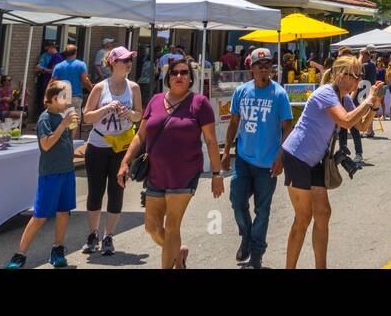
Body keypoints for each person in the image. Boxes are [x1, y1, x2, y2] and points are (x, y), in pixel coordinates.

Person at [117, 59, 223, 269]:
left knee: (172, 226)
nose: (179, 76)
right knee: (152, 227)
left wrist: (217, 174)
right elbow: (140, 135)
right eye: (175, 73)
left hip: (184, 173)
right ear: (168, 77)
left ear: (191, 78)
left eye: (184, 73)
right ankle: (178, 255)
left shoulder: (199, 103)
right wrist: (125, 161)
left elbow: (211, 140)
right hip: (156, 174)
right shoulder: (155, 101)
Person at [280, 55, 383, 269]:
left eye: (360, 76)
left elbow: (362, 126)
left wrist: (373, 106)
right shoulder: (326, 92)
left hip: (314, 160)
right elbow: (345, 121)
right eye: (356, 75)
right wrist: (367, 98)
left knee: (323, 214)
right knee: (303, 218)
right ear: (341, 75)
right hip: (297, 156)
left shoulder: (343, 98)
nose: (359, 80)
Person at [222, 48, 292, 270]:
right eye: (259, 64)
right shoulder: (242, 92)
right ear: (251, 67)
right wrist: (226, 151)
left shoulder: (279, 94)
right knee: (237, 201)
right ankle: (247, 235)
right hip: (243, 158)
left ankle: (257, 252)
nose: (263, 68)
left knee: (263, 209)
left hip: (268, 163)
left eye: (267, 65)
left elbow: (287, 129)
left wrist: (281, 156)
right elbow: (234, 122)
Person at [7, 80, 78, 268]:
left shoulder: (62, 116)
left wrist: (72, 125)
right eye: (65, 97)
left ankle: (58, 249)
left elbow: (67, 140)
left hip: (67, 171)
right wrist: (64, 124)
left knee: (64, 212)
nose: (68, 101)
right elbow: (46, 145)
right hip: (51, 173)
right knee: (39, 216)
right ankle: (19, 255)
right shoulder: (45, 119)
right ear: (54, 99)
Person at [80, 45, 142, 257]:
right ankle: (92, 234)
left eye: (130, 60)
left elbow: (139, 116)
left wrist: (128, 113)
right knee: (95, 192)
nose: (128, 64)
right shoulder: (100, 88)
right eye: (125, 61)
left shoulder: (133, 87)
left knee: (117, 192)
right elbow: (86, 117)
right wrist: (106, 108)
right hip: (98, 146)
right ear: (113, 63)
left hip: (122, 148)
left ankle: (108, 236)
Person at [50, 44, 91, 116]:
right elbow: (85, 81)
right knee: (74, 122)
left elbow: (53, 82)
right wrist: (92, 89)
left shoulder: (58, 66)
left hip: (62, 96)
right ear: (75, 53)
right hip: (75, 96)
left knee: (61, 118)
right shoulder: (81, 65)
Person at [33, 41, 60, 120]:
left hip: (51, 82)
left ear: (51, 47)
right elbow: (39, 66)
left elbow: (54, 71)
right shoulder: (44, 56)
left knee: (48, 100)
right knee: (42, 99)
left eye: (48, 49)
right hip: (45, 80)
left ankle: (46, 119)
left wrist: (42, 69)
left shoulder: (57, 57)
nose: (47, 51)